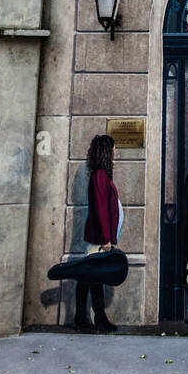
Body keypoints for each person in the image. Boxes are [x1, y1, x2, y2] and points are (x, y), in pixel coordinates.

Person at [75, 133, 124, 333]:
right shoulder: (100, 176)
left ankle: (97, 318)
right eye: (113, 148)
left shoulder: (102, 175)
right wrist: (106, 238)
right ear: (107, 151)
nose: (116, 152)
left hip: (100, 238)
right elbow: (100, 209)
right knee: (87, 278)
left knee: (93, 278)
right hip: (98, 238)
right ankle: (83, 318)